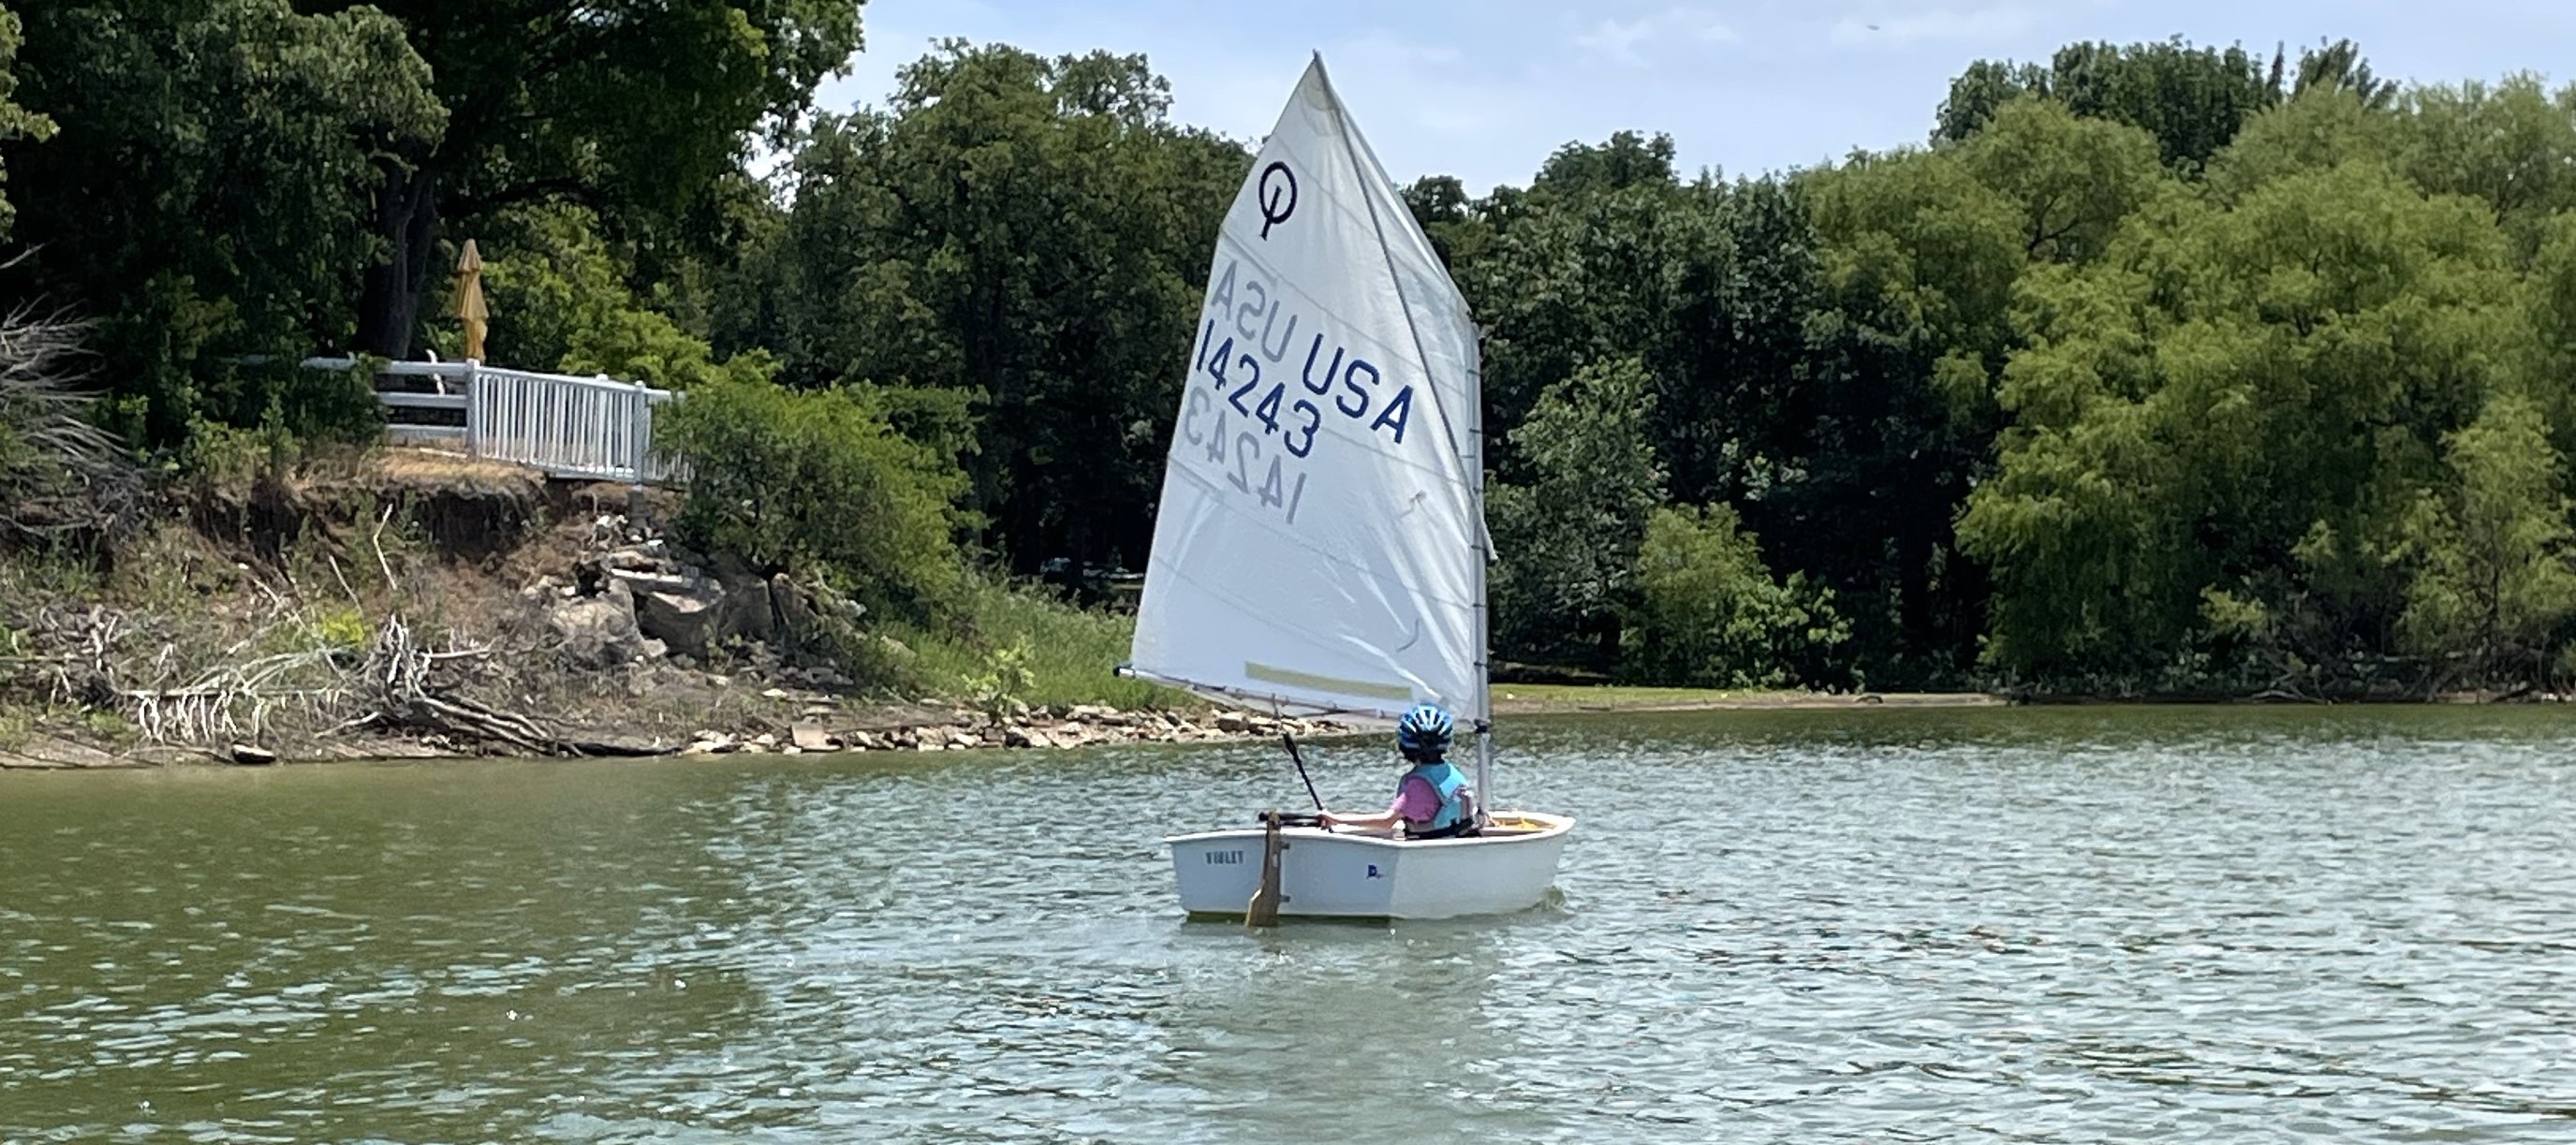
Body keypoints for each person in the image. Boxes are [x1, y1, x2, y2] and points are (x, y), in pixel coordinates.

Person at [1319, 703, 1477, 840]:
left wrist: (1335, 818)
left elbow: (1386, 822)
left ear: (1404, 746)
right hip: (1454, 846)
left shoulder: (1418, 785)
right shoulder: (1453, 774)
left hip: (1428, 855)